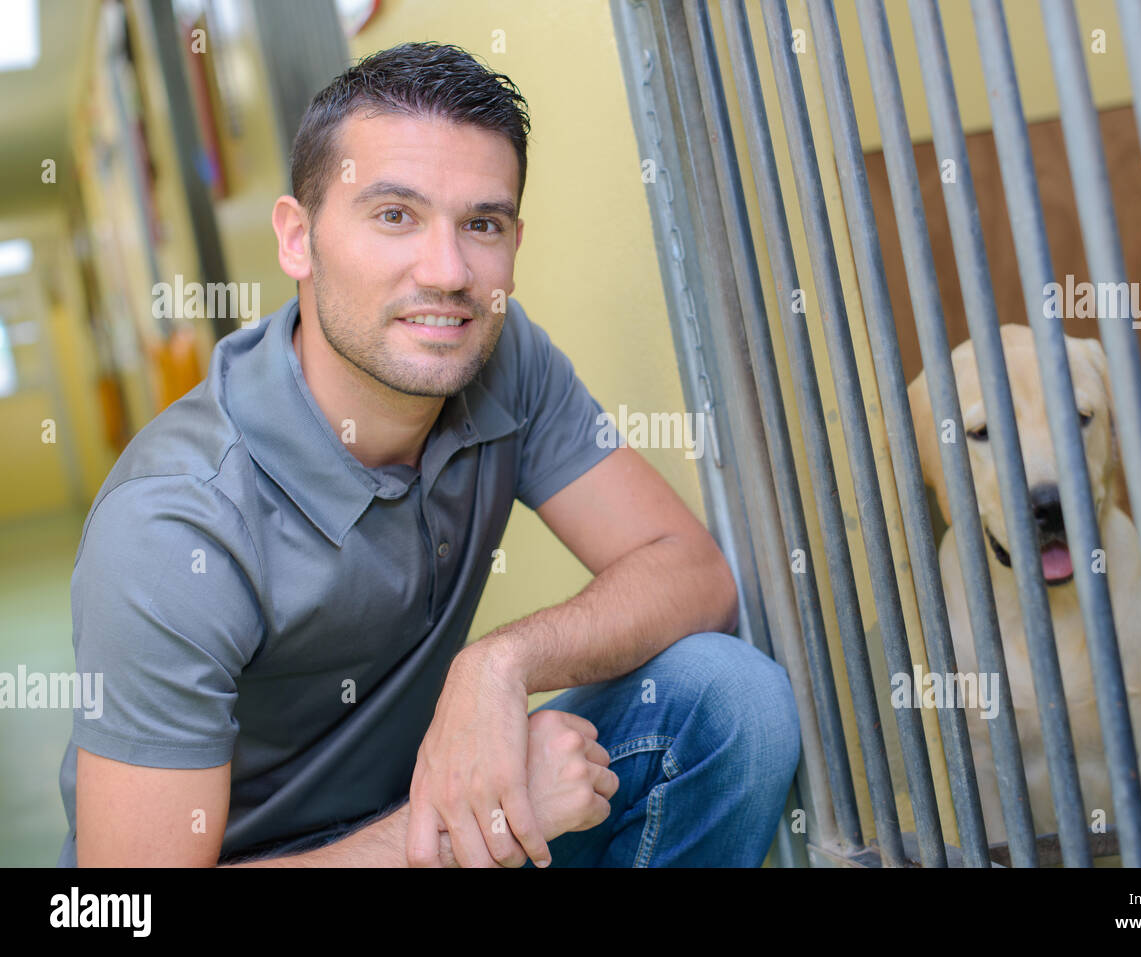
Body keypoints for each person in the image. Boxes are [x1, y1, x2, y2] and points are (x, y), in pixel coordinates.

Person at [57, 41, 800, 868]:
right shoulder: (173, 527)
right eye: (395, 215)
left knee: (729, 698)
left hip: (412, 809)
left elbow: (694, 571)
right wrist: (447, 834)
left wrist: (498, 664)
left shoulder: (500, 358)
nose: (447, 272)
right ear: (297, 239)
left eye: (481, 224)